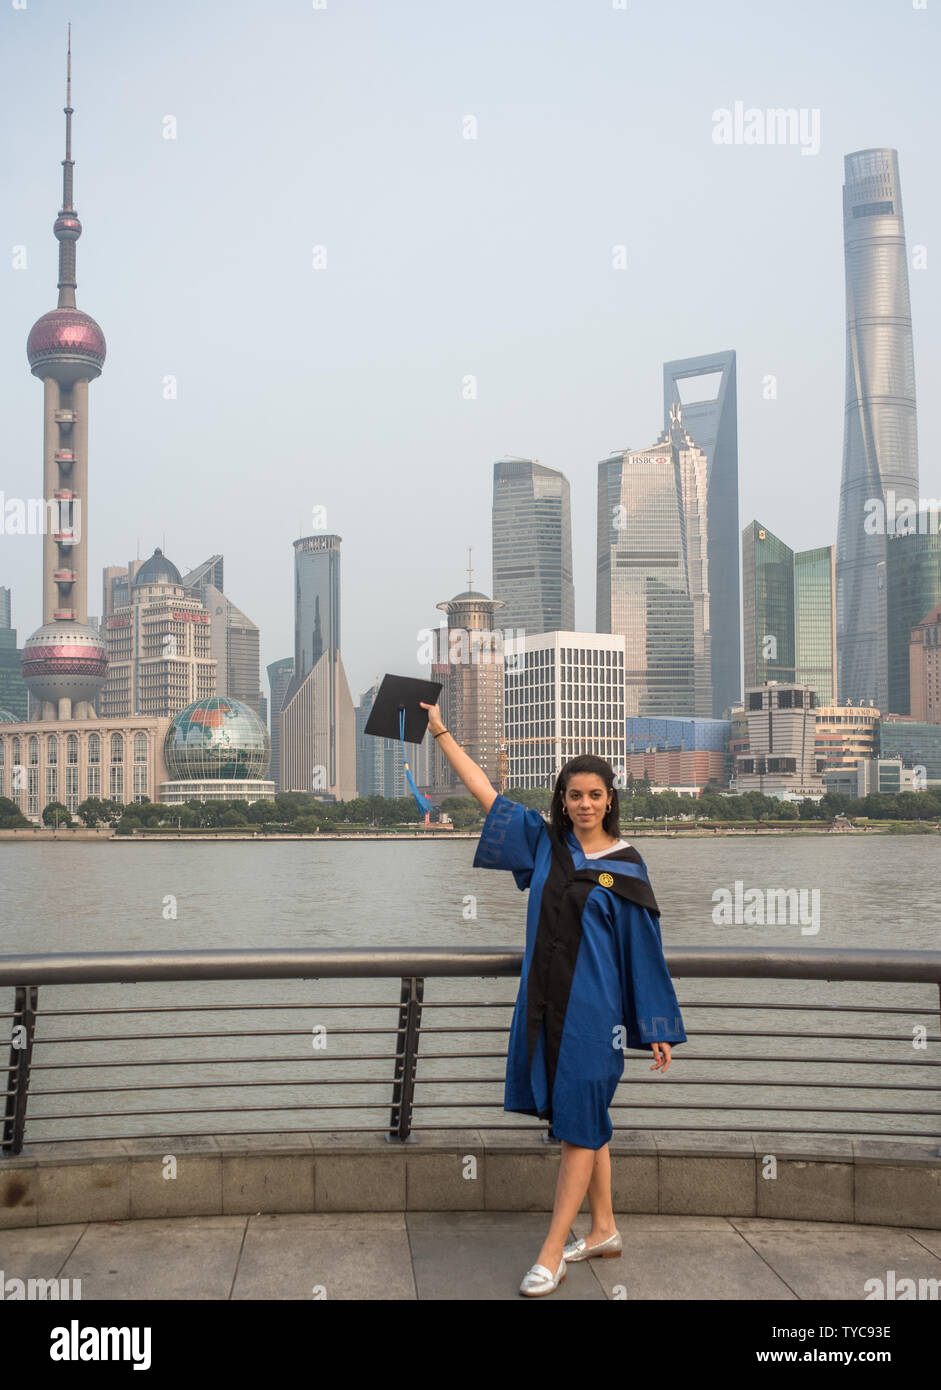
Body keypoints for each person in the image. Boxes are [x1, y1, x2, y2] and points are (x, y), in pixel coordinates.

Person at [420, 701, 686, 1298]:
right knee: (589, 1126)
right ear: (561, 801)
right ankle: (605, 1229)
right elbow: (486, 793)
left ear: (610, 799)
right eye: (573, 795)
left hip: (597, 1020)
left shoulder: (628, 869)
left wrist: (658, 1023)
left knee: (578, 1131)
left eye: (594, 795)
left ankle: (551, 1253)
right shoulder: (546, 846)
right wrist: (439, 730)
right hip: (543, 1009)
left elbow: (644, 952)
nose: (584, 804)